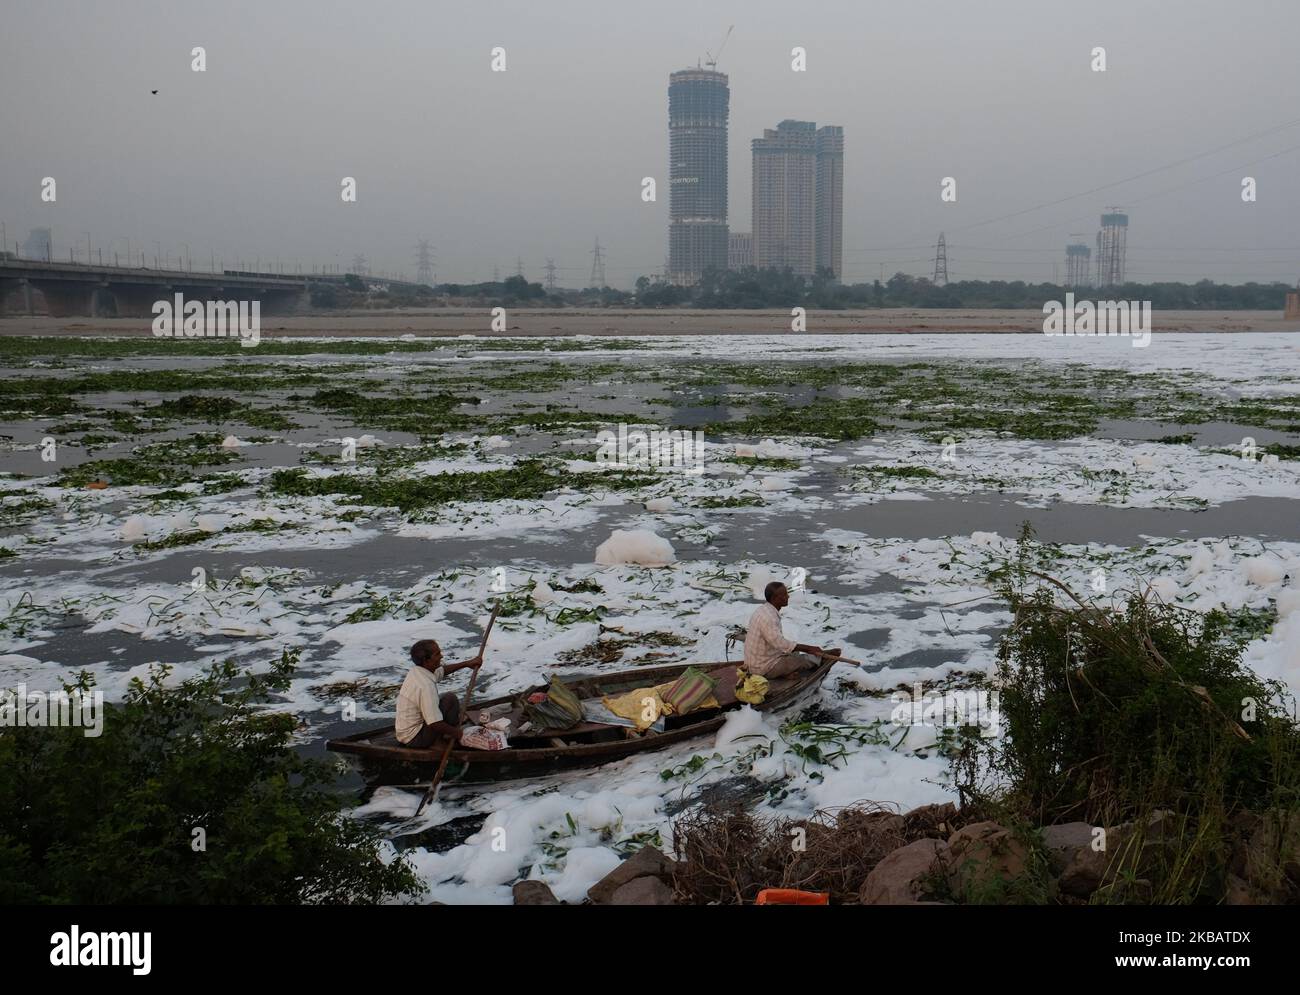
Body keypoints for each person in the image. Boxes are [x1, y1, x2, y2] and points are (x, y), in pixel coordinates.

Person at [395, 639, 483, 749]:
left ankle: (446, 734)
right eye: (437, 654)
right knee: (447, 707)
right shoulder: (426, 685)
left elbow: (442, 671)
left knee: (449, 698)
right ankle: (439, 741)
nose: (441, 656)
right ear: (426, 660)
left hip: (406, 731)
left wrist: (466, 664)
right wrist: (460, 734)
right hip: (414, 738)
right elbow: (434, 723)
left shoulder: (417, 671)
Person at [743, 581, 840, 678]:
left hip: (757, 661)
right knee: (800, 660)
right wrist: (809, 648)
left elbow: (779, 644)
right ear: (775, 598)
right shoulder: (769, 618)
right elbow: (780, 643)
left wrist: (802, 648)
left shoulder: (763, 609)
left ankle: (791, 670)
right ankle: (820, 660)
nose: (788, 596)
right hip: (762, 669)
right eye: (784, 595)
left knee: (794, 652)